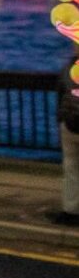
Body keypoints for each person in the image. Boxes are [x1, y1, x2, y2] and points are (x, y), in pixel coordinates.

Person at [54, 45, 79, 226]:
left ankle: (70, 211)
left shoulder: (66, 69)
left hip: (69, 124)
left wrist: (61, 119)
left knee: (70, 169)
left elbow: (60, 93)